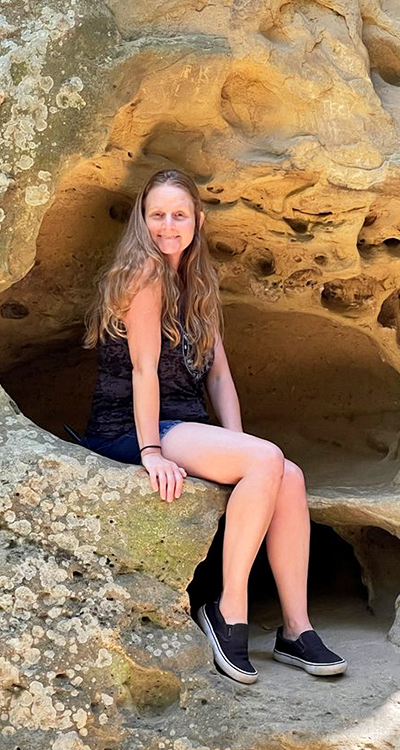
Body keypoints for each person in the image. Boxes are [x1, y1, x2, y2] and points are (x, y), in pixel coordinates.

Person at [82, 169, 346, 684]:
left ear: (198, 221)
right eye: (157, 215)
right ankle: (229, 611)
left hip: (186, 423)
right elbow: (143, 369)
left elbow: (220, 376)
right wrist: (151, 452)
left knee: (287, 475)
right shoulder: (143, 275)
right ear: (141, 220)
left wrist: (242, 443)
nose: (168, 225)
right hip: (131, 426)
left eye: (179, 214)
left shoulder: (198, 283)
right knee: (267, 460)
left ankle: (296, 629)